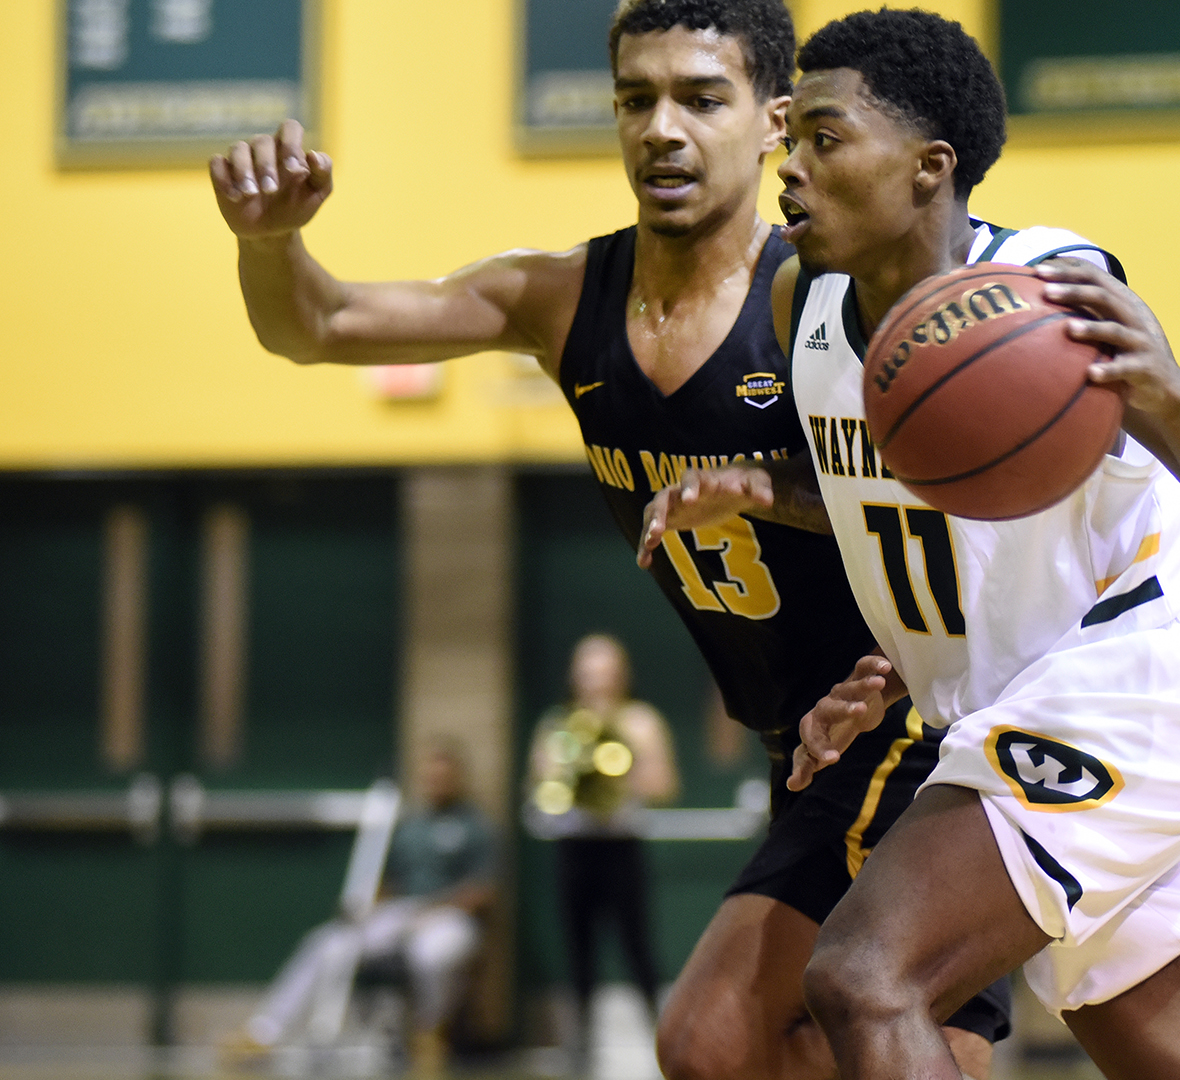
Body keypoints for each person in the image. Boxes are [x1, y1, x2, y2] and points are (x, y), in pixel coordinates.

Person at [205, 2, 1011, 1076]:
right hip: (797, 743)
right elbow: (318, 324)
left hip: (908, 720)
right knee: (799, 1044)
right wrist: (271, 242)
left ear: (776, 121)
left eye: (700, 98)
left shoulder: (824, 294)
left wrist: (782, 503)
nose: (661, 128)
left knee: (746, 1036)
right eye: (637, 99)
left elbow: (954, 492)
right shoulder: (563, 293)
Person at [639, 11, 1180, 1078]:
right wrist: (788, 518)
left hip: (1113, 699)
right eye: (787, 139)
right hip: (995, 713)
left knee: (863, 977)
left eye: (824, 137)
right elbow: (902, 498)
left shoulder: (1049, 293)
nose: (788, 170)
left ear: (928, 167)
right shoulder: (803, 306)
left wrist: (1170, 394)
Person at [229, 744, 495, 1074]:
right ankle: (264, 1032)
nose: (436, 782)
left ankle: (429, 1035)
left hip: (450, 916)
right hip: (403, 912)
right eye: (430, 776)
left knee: (433, 955)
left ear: (457, 778)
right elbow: (390, 882)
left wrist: (437, 909)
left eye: (444, 776)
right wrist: (368, 906)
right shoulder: (410, 826)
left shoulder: (475, 826)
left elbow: (484, 889)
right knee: (329, 943)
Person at [525, 635, 679, 1037]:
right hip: (574, 847)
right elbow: (539, 786)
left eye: (605, 672)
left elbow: (664, 785)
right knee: (578, 951)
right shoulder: (557, 724)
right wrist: (572, 776)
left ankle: (658, 1039)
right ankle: (581, 1046)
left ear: (622, 676)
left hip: (621, 846)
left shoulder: (642, 721)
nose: (596, 682)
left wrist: (617, 773)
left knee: (638, 947)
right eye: (588, 673)